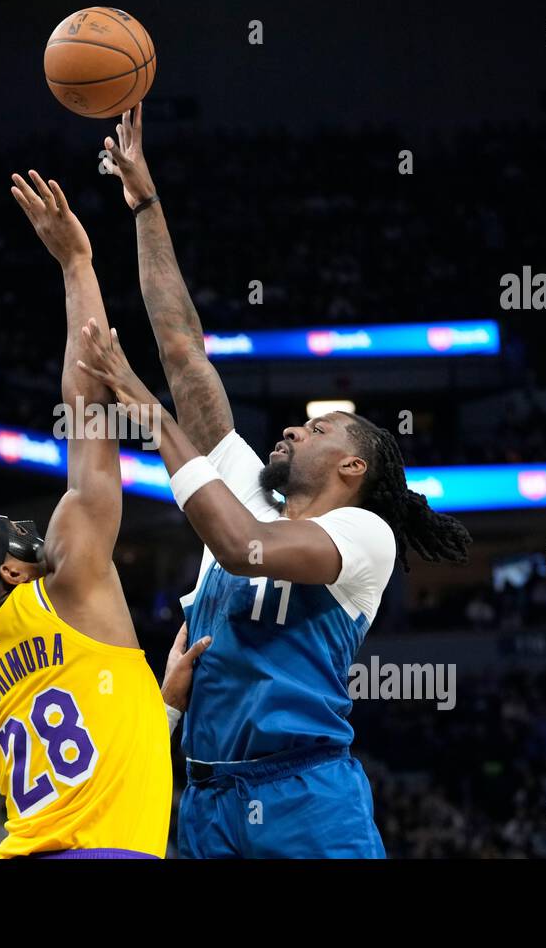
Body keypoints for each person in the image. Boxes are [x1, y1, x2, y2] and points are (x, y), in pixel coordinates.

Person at [95, 106, 472, 857]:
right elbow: (180, 349)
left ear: (352, 468)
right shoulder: (242, 480)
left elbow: (244, 549)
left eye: (320, 430)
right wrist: (144, 205)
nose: (296, 428)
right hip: (203, 799)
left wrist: (155, 423)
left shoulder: (363, 536)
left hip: (303, 796)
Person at [0, 171, 179, 858]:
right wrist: (77, 263)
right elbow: (86, 401)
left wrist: (158, 708)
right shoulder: (73, 580)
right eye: (6, 526)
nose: (23, 524)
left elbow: (77, 765)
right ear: (8, 568)